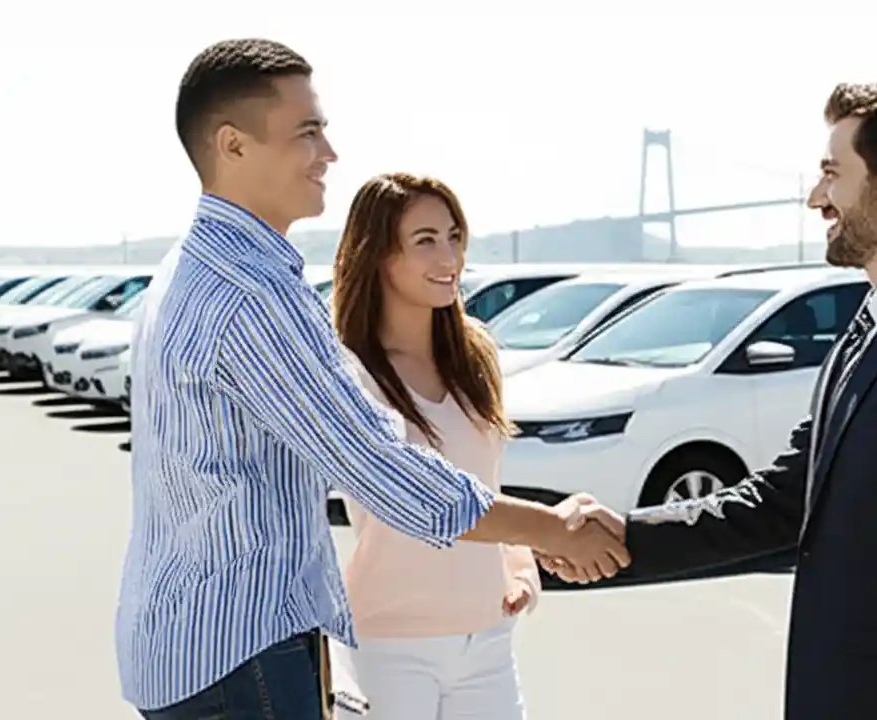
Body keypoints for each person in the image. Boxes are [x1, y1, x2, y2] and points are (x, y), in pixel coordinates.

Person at [115, 38, 628, 720]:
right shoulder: (247, 292)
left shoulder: (188, 268)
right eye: (308, 132)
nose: (329, 153)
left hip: (199, 646)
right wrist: (552, 529)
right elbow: (381, 468)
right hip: (240, 655)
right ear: (234, 146)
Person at [554, 75, 877, 720]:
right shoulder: (874, 326)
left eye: (832, 173)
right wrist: (623, 537)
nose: (817, 197)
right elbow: (784, 502)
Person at [331, 172, 541, 719]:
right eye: (425, 240)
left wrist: (519, 566)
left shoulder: (476, 355)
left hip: (489, 637)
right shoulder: (351, 372)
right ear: (377, 255)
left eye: (453, 236)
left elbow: (486, 482)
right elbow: (406, 495)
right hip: (390, 644)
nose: (449, 255)